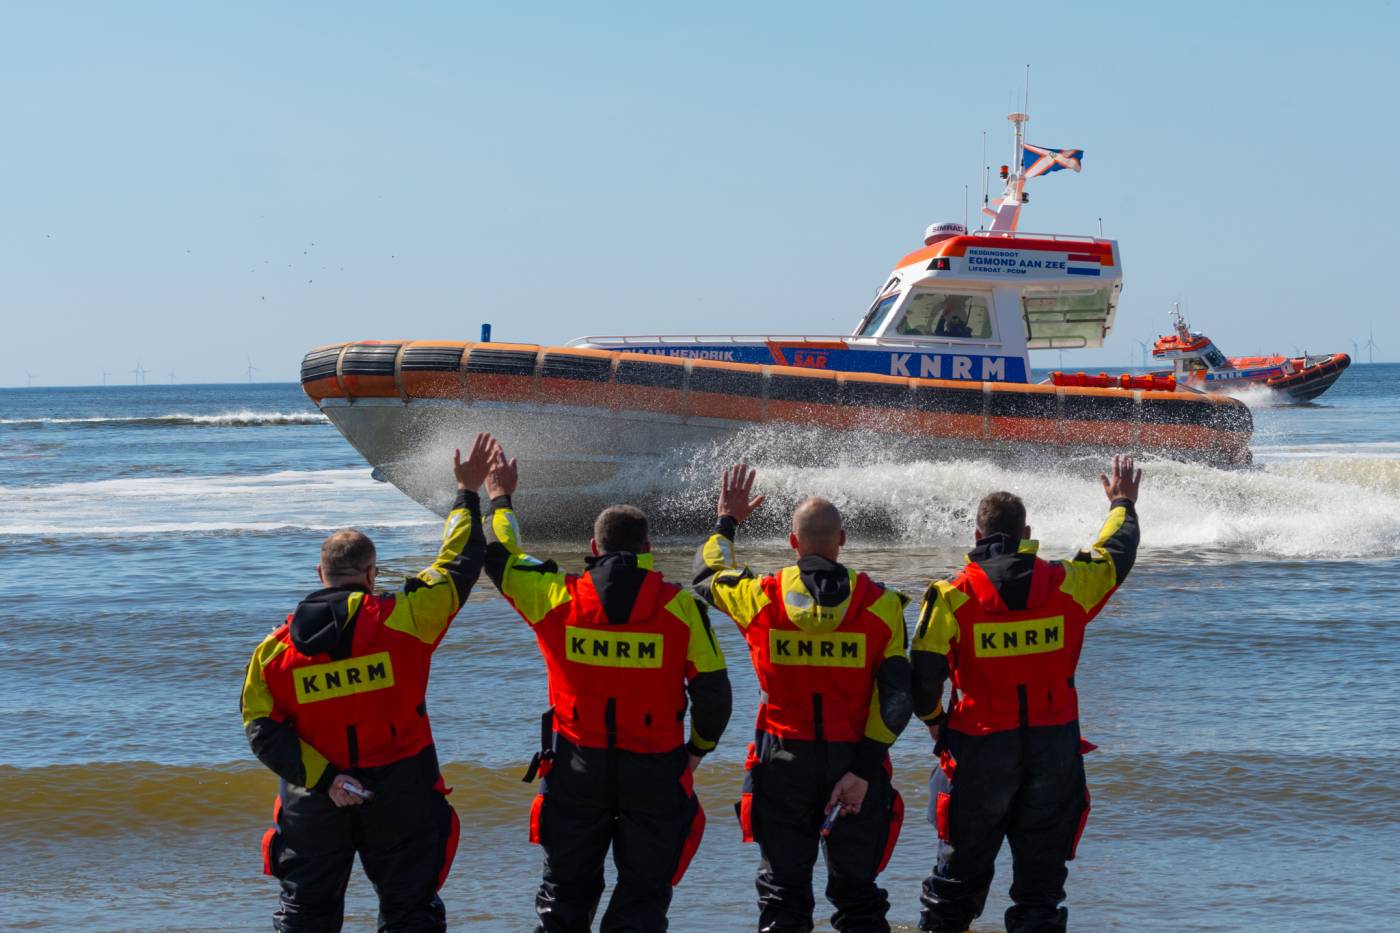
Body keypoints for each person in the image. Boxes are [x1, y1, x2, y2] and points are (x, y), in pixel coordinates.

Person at [241, 432, 501, 932]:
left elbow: (261, 729)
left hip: (316, 798)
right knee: (410, 914)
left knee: (305, 917)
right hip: (401, 792)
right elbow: (460, 562)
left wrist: (328, 780)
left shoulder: (273, 651)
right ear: (371, 573)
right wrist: (467, 493)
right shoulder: (406, 618)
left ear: (319, 573)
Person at [482, 452, 732, 933]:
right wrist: (696, 752)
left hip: (577, 768)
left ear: (593, 546)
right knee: (642, 898)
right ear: (648, 548)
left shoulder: (556, 595)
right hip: (656, 768)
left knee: (564, 899)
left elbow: (500, 556)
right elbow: (714, 694)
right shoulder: (680, 606)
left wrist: (500, 498)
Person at [912, 455, 1143, 933]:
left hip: (978, 751)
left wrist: (936, 723)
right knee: (1040, 892)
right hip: (1053, 751)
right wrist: (1122, 503)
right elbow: (1116, 553)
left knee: (955, 885)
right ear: (1027, 533)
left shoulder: (951, 595)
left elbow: (921, 680)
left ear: (977, 536)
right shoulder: (1068, 583)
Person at [693, 465, 913, 933]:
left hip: (781, 762)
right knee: (858, 897)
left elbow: (707, 573)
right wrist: (862, 770)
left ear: (793, 543)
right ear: (842, 540)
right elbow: (898, 699)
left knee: (783, 896)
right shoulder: (882, 605)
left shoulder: (760, 597)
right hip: (855, 762)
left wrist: (727, 522)